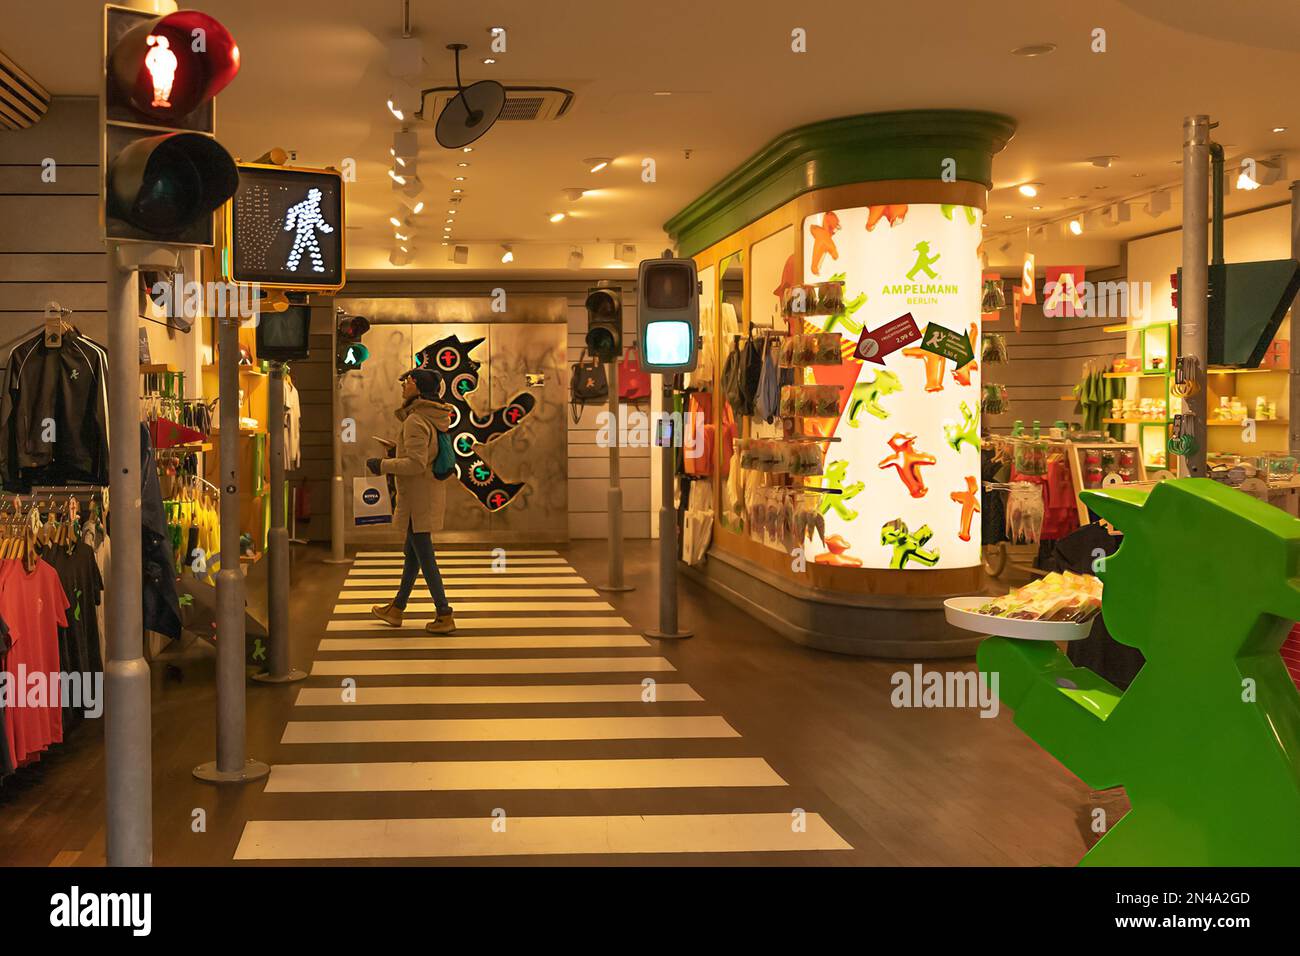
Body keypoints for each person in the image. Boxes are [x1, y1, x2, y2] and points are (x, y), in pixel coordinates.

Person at [367, 368, 457, 634]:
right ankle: (397, 608)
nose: (404, 385)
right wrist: (398, 451)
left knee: (424, 556)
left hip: (418, 498)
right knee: (413, 555)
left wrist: (382, 464)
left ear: (418, 387)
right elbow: (425, 455)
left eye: (408, 381)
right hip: (424, 495)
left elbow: (416, 464)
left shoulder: (416, 420)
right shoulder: (431, 417)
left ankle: (444, 613)